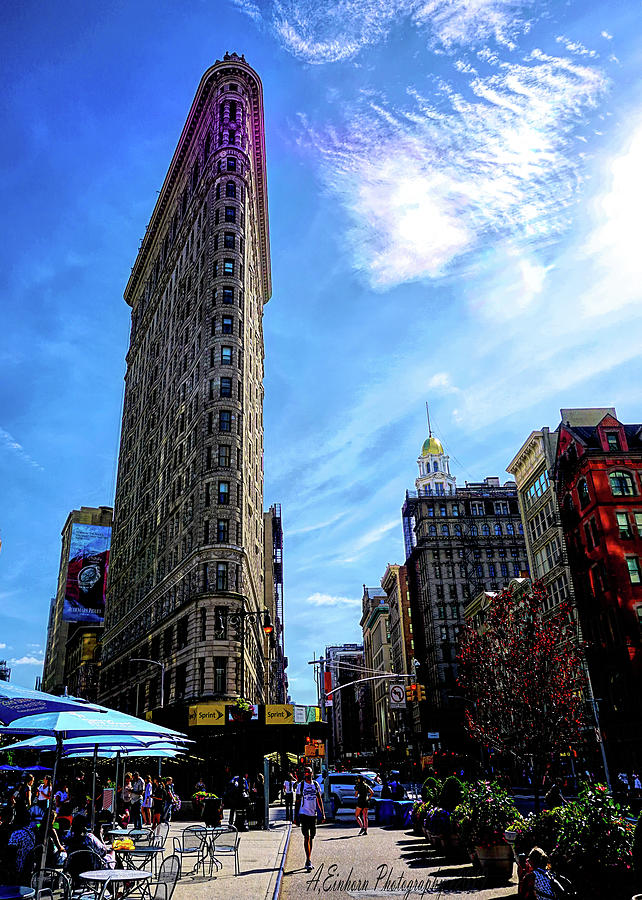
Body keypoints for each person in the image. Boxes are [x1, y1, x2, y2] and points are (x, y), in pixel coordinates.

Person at [294, 767, 324, 872]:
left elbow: (319, 799)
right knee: (306, 836)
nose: (307, 774)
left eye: (309, 773)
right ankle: (308, 860)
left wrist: (323, 814)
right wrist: (295, 817)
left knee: (311, 837)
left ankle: (309, 857)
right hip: (303, 814)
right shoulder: (300, 786)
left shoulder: (315, 785)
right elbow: (297, 802)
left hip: (313, 814)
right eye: (306, 773)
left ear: (312, 773)